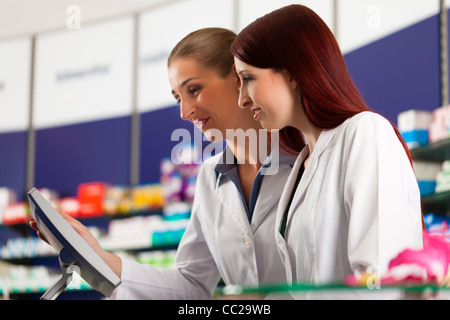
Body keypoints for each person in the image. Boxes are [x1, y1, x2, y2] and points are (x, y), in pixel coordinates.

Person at [31, 27, 296, 299]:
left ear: (238, 77)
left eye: (194, 89)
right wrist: (97, 256)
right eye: (178, 97)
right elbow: (191, 284)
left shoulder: (305, 159)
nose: (184, 112)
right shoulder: (209, 176)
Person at [230, 5, 424, 286]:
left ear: (293, 73)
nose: (242, 100)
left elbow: (382, 280)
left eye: (248, 78)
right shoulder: (302, 164)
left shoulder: (365, 132)